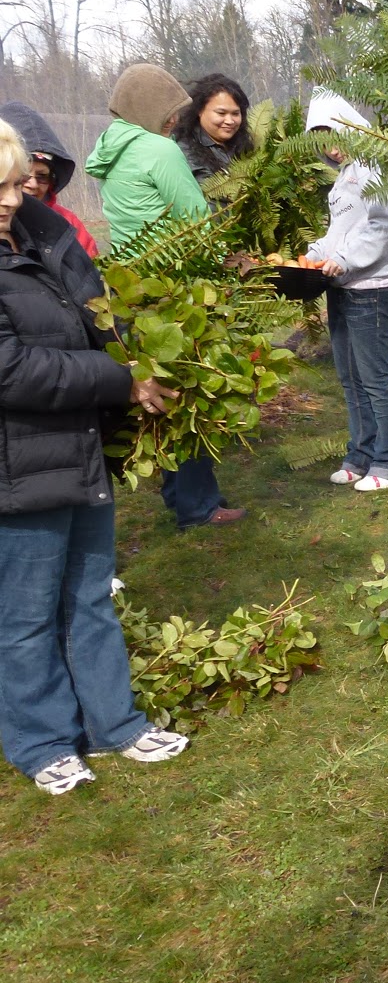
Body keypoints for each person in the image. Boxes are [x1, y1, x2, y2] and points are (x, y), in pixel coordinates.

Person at [0, 117, 190, 794]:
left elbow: (98, 310)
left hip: (78, 446)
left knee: (89, 595)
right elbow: (13, 370)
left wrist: (150, 346)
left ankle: (116, 726)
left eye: (16, 185)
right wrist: (120, 379)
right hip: (15, 465)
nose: (11, 200)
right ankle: (41, 740)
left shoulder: (44, 232)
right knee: (24, 615)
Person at [86, 63, 245, 530]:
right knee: (191, 389)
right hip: (175, 285)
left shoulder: (110, 150)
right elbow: (196, 219)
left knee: (163, 395)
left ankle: (181, 497)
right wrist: (228, 264)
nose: (176, 122)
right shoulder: (158, 149)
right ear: (150, 110)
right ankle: (198, 505)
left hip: (133, 288)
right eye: (170, 112)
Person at [305, 89, 388, 492]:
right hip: (342, 285)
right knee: (350, 378)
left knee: (375, 377)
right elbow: (339, 234)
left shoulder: (376, 166)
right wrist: (311, 255)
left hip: (373, 289)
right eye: (320, 141)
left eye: (332, 135)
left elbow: (383, 227)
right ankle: (361, 454)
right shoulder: (344, 177)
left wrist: (345, 260)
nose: (330, 148)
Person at [0, 101, 99, 257]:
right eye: (23, 177)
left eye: (42, 176)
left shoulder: (67, 225)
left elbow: (92, 269)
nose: (32, 184)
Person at [172, 72, 255, 184]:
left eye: (235, 114)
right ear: (200, 110)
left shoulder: (246, 147)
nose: (230, 121)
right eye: (221, 113)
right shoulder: (182, 152)